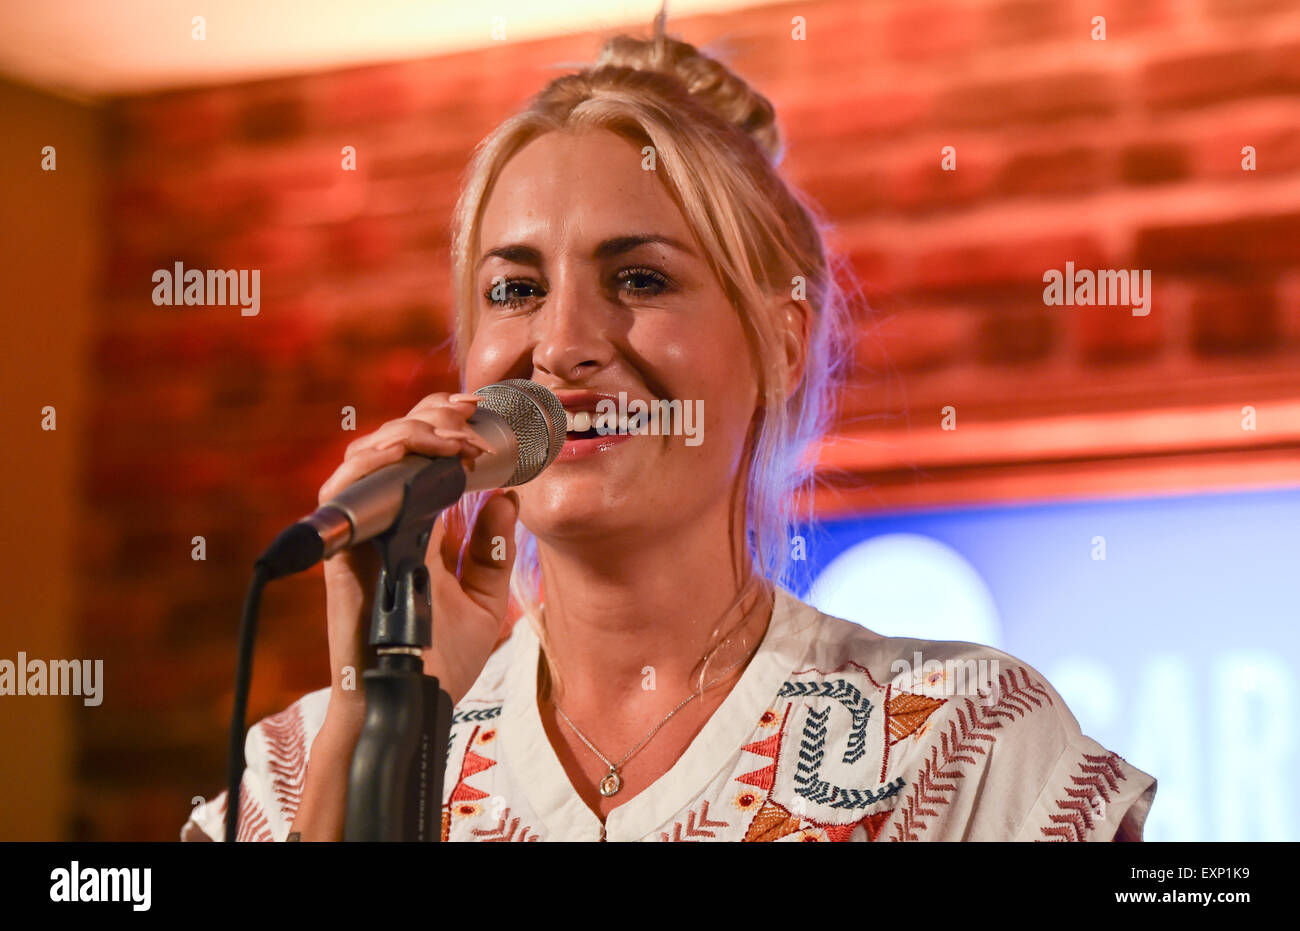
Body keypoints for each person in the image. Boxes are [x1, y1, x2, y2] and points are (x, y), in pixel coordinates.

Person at [183, 21, 1156, 843]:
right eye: (516, 290)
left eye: (639, 279)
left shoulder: (970, 745)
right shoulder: (296, 771)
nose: (560, 344)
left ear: (780, 343)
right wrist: (378, 715)